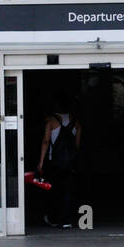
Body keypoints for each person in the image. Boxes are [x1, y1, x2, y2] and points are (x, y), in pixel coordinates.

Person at [38, 98, 83, 229]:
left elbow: (46, 141)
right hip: (70, 162)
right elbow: (77, 145)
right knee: (68, 190)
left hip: (55, 161)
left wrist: (41, 162)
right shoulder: (76, 122)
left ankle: (54, 218)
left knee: (54, 190)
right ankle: (66, 220)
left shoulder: (51, 121)